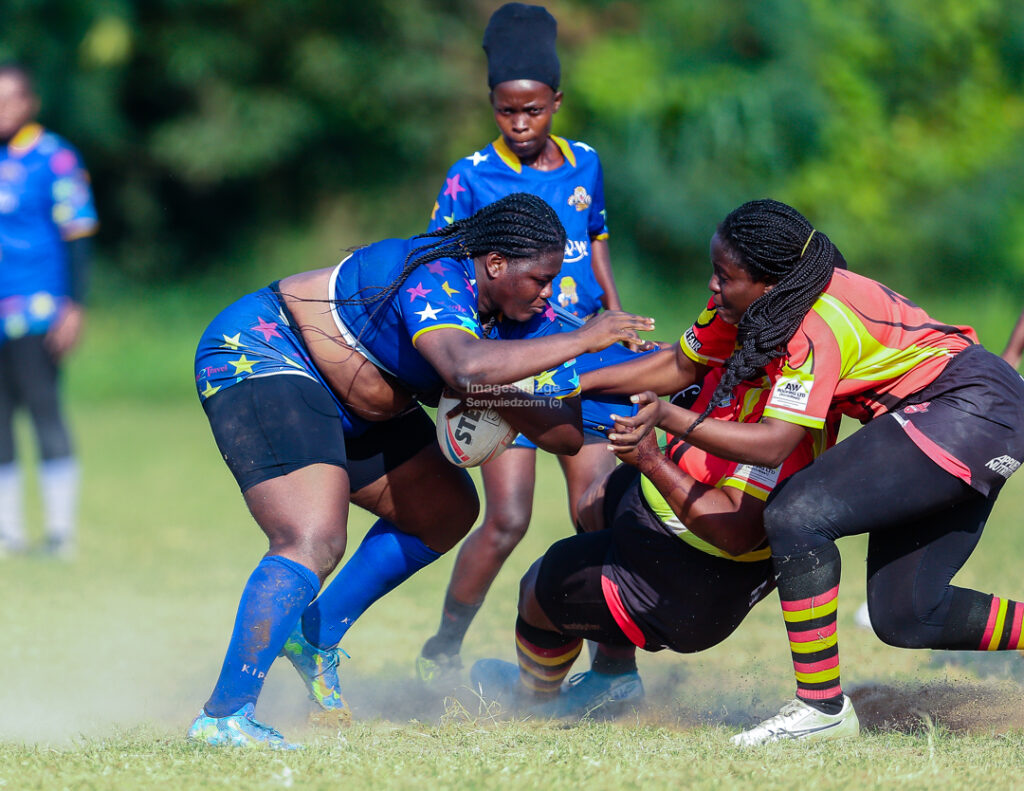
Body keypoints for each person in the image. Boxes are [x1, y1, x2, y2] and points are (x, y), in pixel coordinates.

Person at [186, 193, 654, 749]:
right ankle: (224, 717)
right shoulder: (435, 274)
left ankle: (314, 636)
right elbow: (464, 366)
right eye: (540, 279)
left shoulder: (521, 314)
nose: (548, 293)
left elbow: (566, 431)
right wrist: (579, 340)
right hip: (266, 351)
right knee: (311, 537)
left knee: (446, 510)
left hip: (358, 403)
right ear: (496, 265)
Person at [596, 198, 1024, 745]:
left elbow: (774, 444)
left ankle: (820, 708)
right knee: (908, 615)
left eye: (725, 276)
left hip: (967, 409)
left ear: (768, 281)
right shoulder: (771, 304)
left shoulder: (812, 323)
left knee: (798, 514)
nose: (712, 286)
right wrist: (565, 385)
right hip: (979, 413)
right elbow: (680, 365)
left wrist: (670, 417)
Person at [418, 2, 633, 681]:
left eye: (533, 111)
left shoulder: (587, 164)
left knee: (595, 507)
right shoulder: (469, 176)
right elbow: (438, 261)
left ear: (556, 102)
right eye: (507, 112)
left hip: (583, 353)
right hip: (506, 367)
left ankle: (613, 670)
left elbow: (595, 238)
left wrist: (614, 316)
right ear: (491, 105)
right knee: (507, 519)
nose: (520, 124)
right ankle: (444, 650)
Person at [469, 368, 836, 718]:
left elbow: (735, 534)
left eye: (721, 295)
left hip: (695, 577)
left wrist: (651, 460)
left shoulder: (783, 410)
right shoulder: (744, 343)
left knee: (540, 587)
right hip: (665, 522)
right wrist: (564, 383)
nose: (713, 297)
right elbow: (675, 362)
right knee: (595, 501)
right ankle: (613, 677)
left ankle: (534, 701)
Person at [0, 63, 98, 559]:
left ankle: (60, 533)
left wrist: (74, 306)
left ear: (30, 103)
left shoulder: (53, 157)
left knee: (42, 409)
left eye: (8, 99)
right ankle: (7, 532)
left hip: (36, 307)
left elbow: (78, 234)